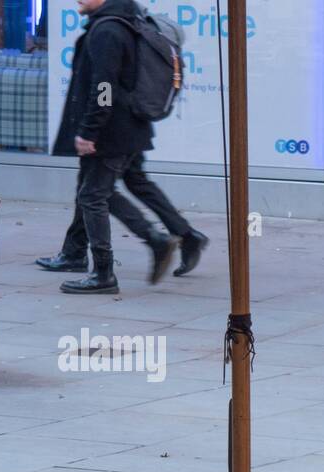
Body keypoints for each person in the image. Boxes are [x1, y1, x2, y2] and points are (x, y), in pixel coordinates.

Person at [40, 0, 207, 294]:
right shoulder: (123, 23)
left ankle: (108, 270)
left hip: (112, 131)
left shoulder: (108, 30)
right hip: (127, 127)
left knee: (93, 195)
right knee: (113, 185)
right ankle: (78, 251)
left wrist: (90, 131)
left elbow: (104, 87)